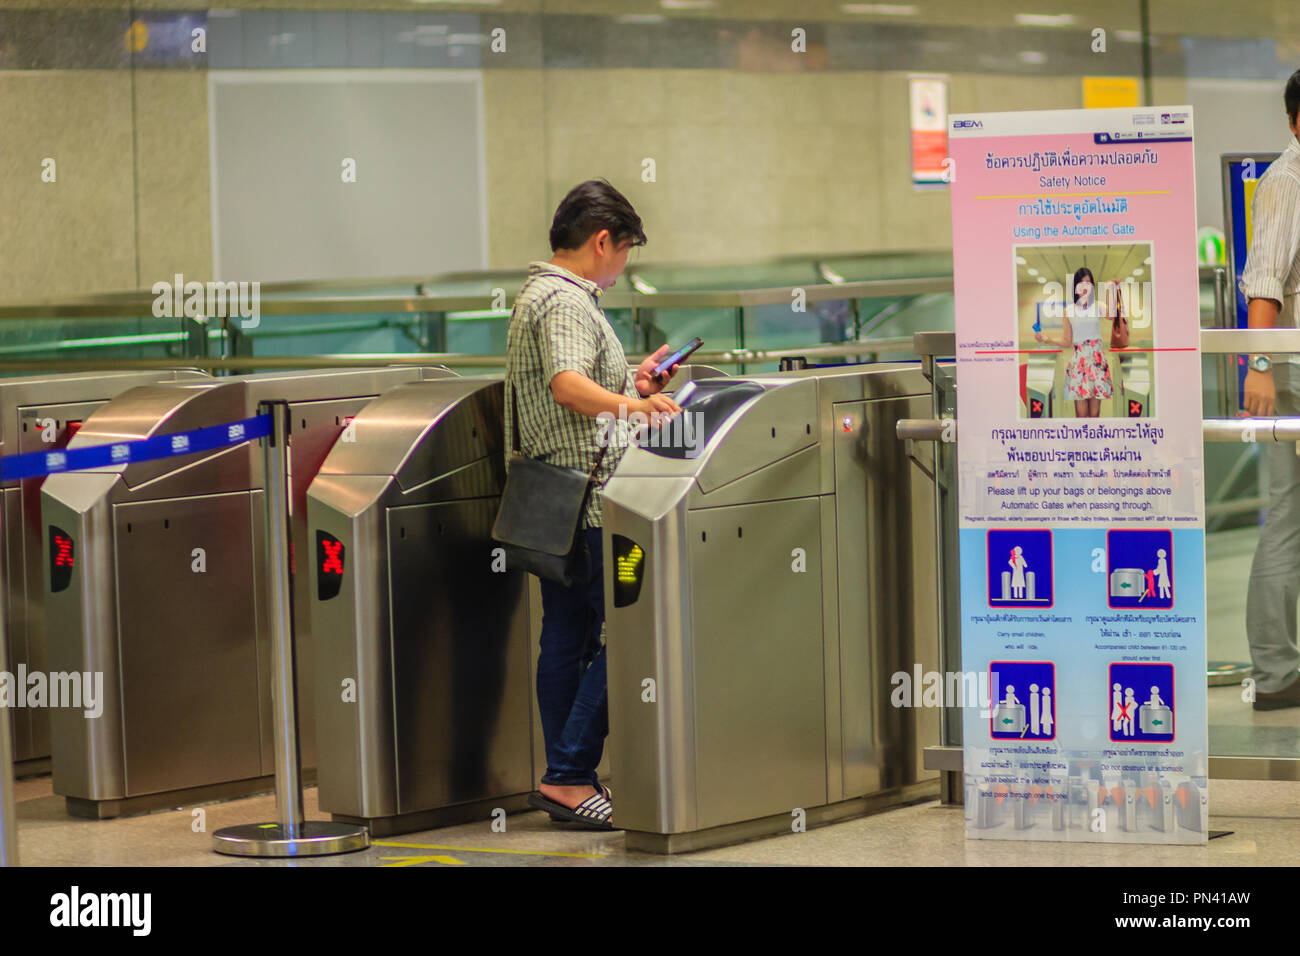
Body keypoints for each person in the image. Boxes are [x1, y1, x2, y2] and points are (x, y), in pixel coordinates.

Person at [504, 179, 682, 829]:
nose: (623, 265)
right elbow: (567, 386)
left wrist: (633, 382)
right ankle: (571, 774)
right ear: (601, 241)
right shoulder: (566, 300)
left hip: (556, 497)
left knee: (567, 637)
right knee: (634, 629)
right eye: (625, 250)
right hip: (589, 501)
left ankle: (567, 780)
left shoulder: (538, 296)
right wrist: (634, 405)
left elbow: (580, 384)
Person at [1241, 69, 1300, 711]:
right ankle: (1277, 671)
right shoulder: (1286, 181)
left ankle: (1280, 672)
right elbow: (1266, 283)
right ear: (1295, 122)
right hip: (1296, 364)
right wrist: (1258, 363)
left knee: (1289, 515)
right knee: (1287, 513)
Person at [1034, 266, 1114, 418]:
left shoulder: (1098, 306)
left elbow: (1112, 316)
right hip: (1078, 364)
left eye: (1089, 284)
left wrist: (1110, 290)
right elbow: (1067, 341)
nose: (1085, 288)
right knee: (1081, 415)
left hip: (1097, 362)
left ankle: (1095, 442)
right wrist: (1048, 340)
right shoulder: (1069, 311)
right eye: (1082, 283)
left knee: (1095, 415)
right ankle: (1083, 442)